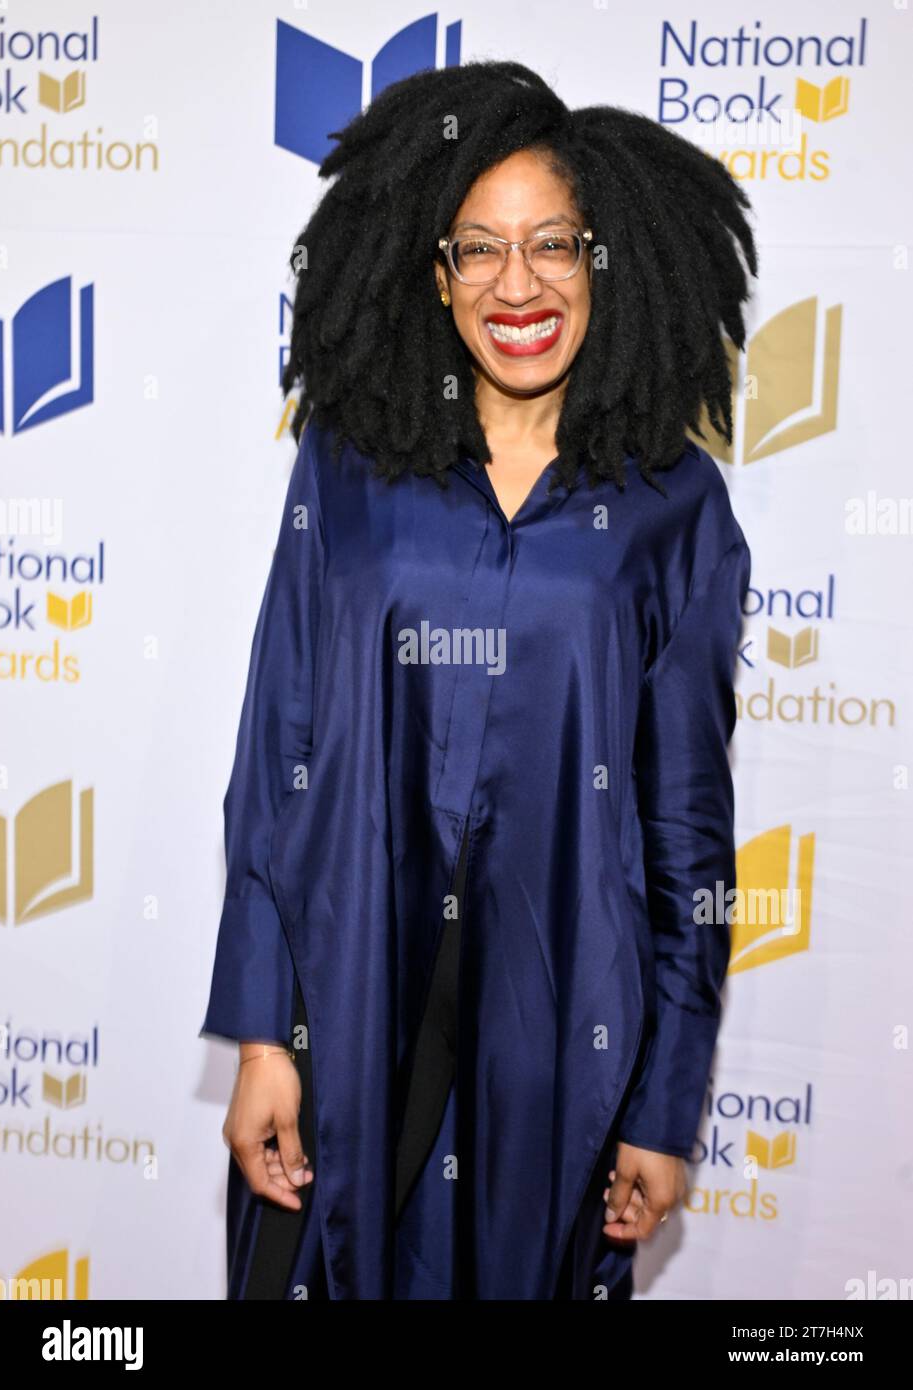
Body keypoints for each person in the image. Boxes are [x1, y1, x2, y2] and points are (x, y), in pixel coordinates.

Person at [200, 59, 756, 1300]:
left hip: (557, 1048)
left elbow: (686, 838)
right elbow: (278, 744)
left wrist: (664, 1105)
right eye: (479, 250)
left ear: (609, 264)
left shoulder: (676, 513)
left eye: (554, 245)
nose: (519, 286)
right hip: (345, 1024)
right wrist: (264, 1031)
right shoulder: (352, 467)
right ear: (433, 273)